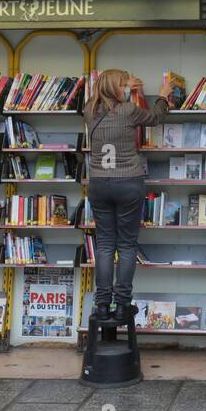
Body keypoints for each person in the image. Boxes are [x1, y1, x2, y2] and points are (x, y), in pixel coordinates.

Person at [84, 68, 172, 321]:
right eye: (123, 84)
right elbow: (155, 118)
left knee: (104, 245)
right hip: (127, 182)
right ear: (117, 88)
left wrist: (127, 86)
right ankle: (122, 303)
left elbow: (108, 98)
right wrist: (163, 96)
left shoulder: (89, 110)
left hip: (100, 183)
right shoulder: (128, 110)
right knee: (126, 245)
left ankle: (102, 304)